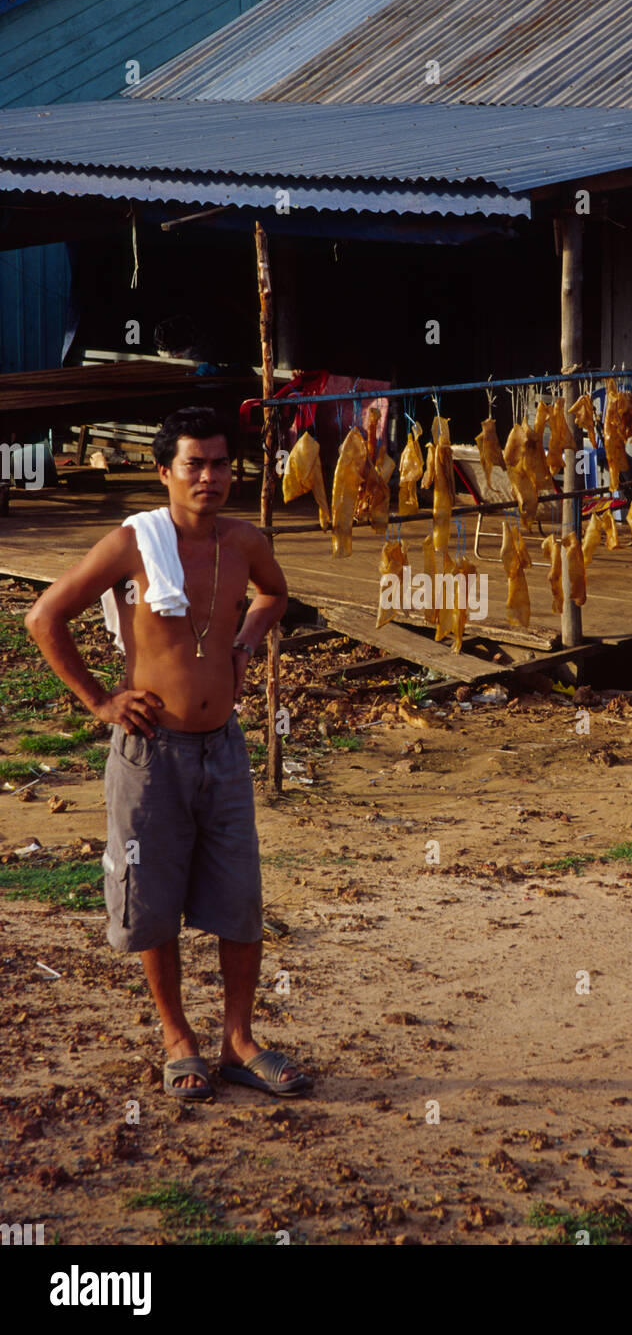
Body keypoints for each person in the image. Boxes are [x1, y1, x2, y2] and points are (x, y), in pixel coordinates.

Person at [25, 406, 310, 1101]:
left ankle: (239, 1042)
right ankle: (177, 1038)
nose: (209, 477)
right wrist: (101, 702)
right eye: (194, 464)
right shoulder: (133, 542)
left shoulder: (245, 542)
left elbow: (275, 595)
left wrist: (244, 642)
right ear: (165, 473)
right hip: (151, 754)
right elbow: (44, 616)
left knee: (239, 898)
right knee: (152, 900)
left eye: (220, 463)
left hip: (223, 751)